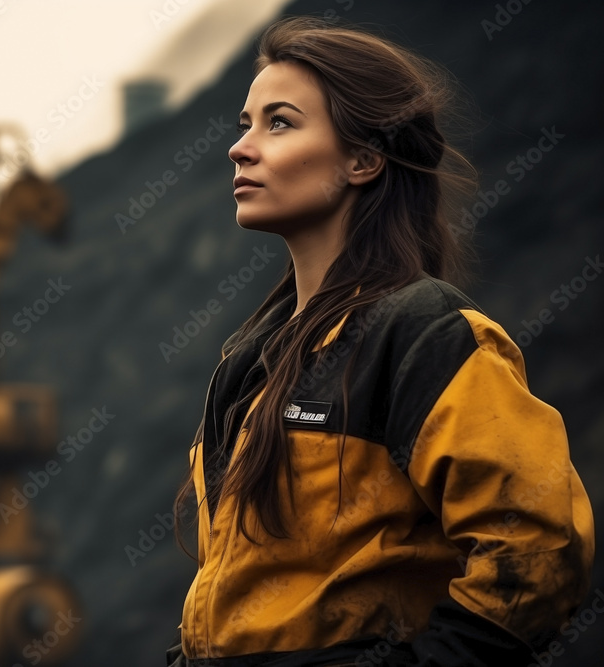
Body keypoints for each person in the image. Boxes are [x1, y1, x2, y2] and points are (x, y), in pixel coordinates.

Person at [166, 15, 595, 667]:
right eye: (245, 124)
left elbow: (537, 551)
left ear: (363, 159)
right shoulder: (246, 364)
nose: (240, 148)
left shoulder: (425, 334)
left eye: (279, 123)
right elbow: (236, 594)